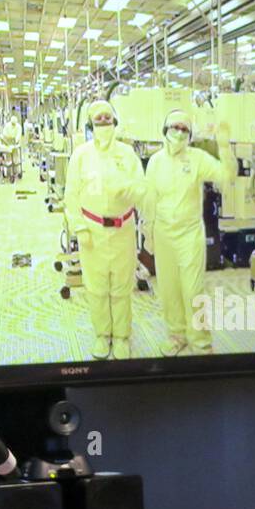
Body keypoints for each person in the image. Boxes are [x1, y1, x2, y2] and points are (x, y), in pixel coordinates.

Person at [141, 111, 235, 356]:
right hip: (162, 234)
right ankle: (176, 336)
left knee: (193, 290)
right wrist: (147, 234)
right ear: (165, 129)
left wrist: (224, 148)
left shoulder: (197, 158)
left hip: (189, 234)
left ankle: (202, 343)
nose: (179, 132)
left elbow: (226, 176)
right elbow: (149, 200)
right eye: (175, 127)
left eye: (184, 129)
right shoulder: (155, 162)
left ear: (190, 134)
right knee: (168, 290)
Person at [63, 99, 145, 360]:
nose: (103, 124)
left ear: (115, 122)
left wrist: (131, 190)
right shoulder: (81, 156)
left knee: (122, 287)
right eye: (97, 120)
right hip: (92, 231)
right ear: (90, 125)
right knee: (97, 288)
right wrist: (79, 227)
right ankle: (102, 335)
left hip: (123, 229)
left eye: (107, 119)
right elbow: (71, 196)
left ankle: (121, 337)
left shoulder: (127, 154)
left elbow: (142, 189)